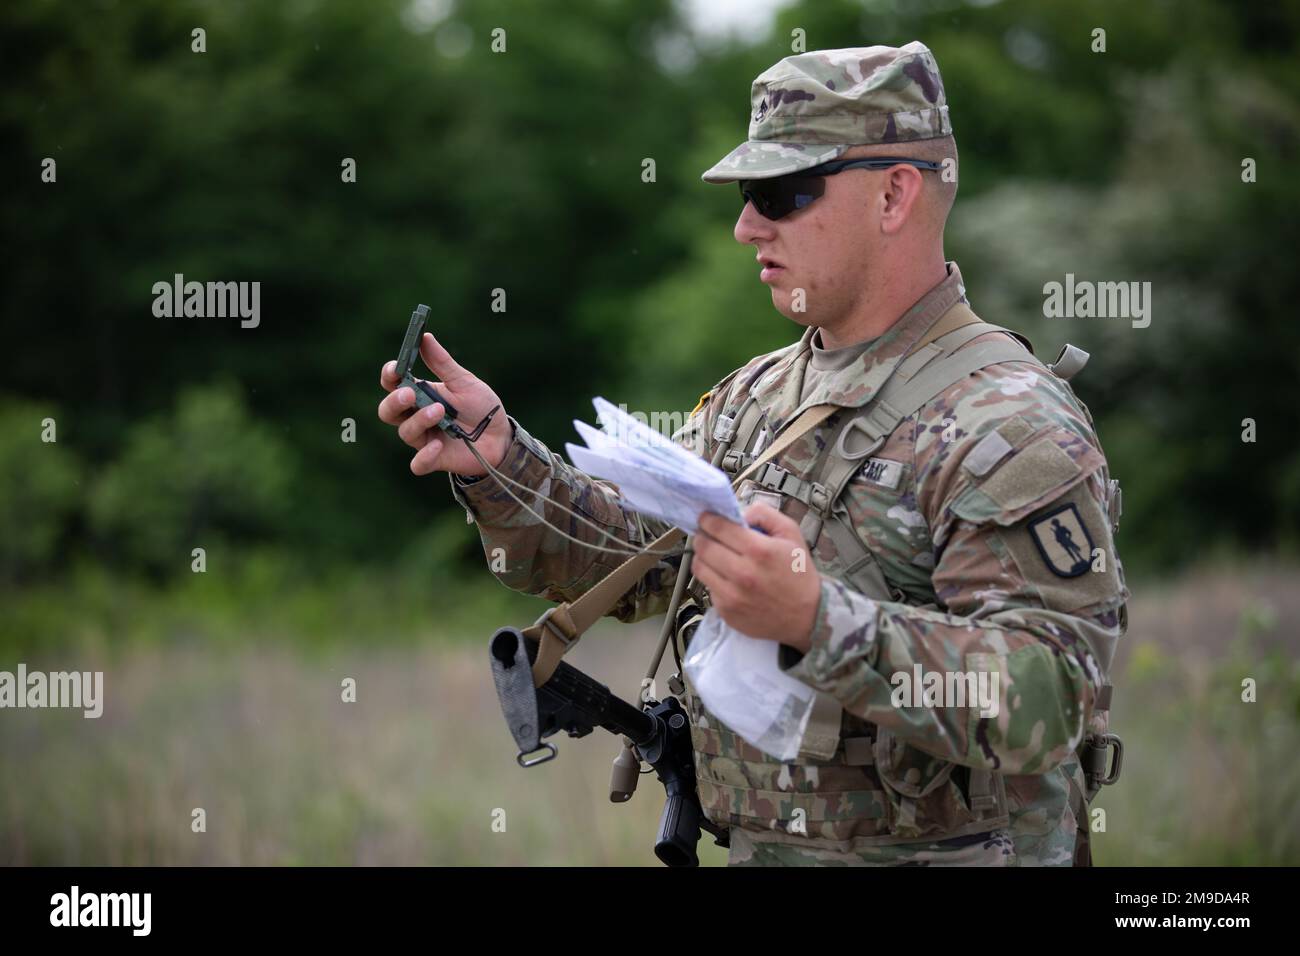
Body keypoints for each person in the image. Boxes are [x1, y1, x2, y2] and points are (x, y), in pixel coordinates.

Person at [377, 42, 1128, 866]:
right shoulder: (758, 397)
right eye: (746, 196)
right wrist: (501, 465)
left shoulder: (1007, 420)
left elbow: (1053, 697)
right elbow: (643, 564)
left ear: (894, 193)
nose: (746, 227)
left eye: (781, 192)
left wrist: (815, 623)